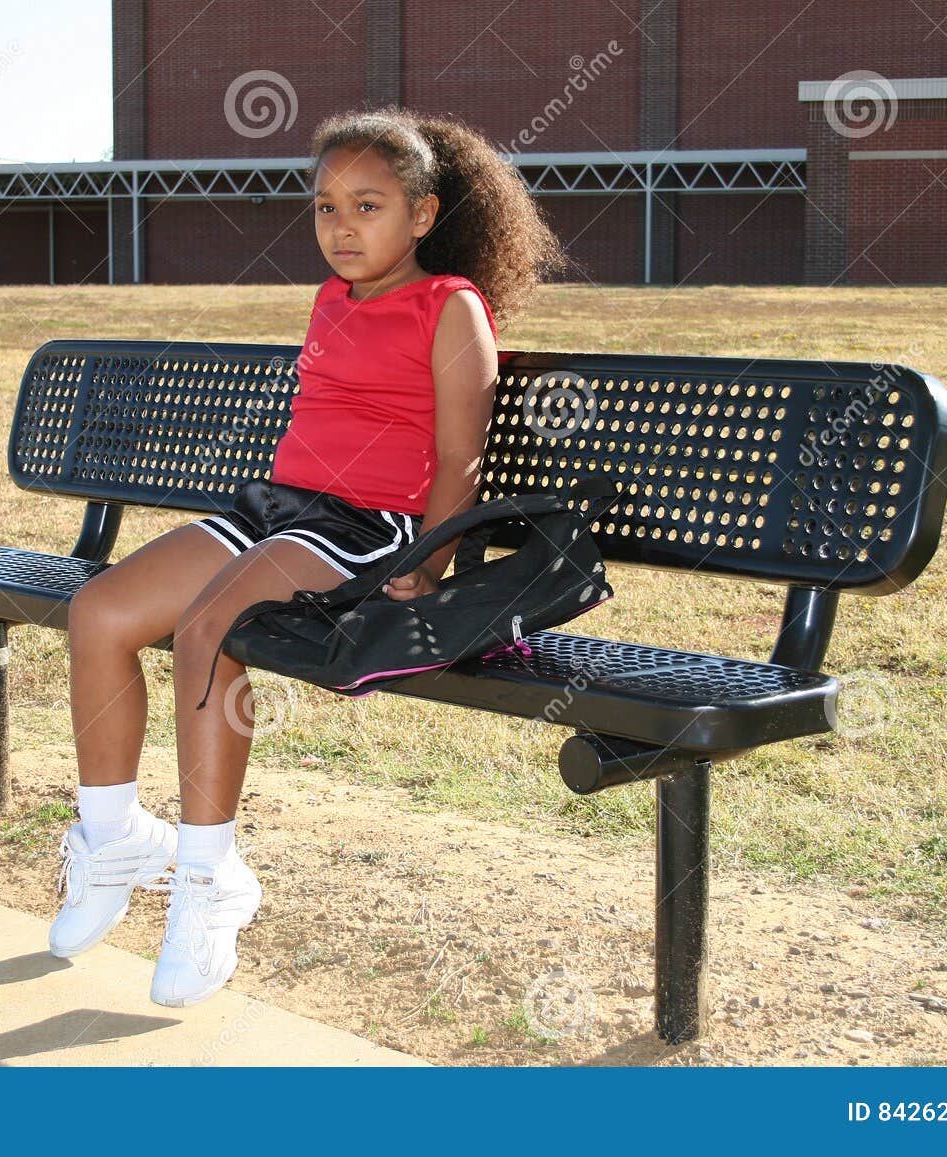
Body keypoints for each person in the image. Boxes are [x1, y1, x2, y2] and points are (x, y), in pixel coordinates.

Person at [48, 106, 564, 1007]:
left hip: (374, 527)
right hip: (281, 509)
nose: (342, 227)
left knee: (215, 624)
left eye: (369, 206)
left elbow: (460, 457)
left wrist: (435, 561)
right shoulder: (331, 299)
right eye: (326, 207)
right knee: (98, 612)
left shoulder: (451, 307)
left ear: (424, 215)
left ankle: (209, 884)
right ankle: (115, 836)